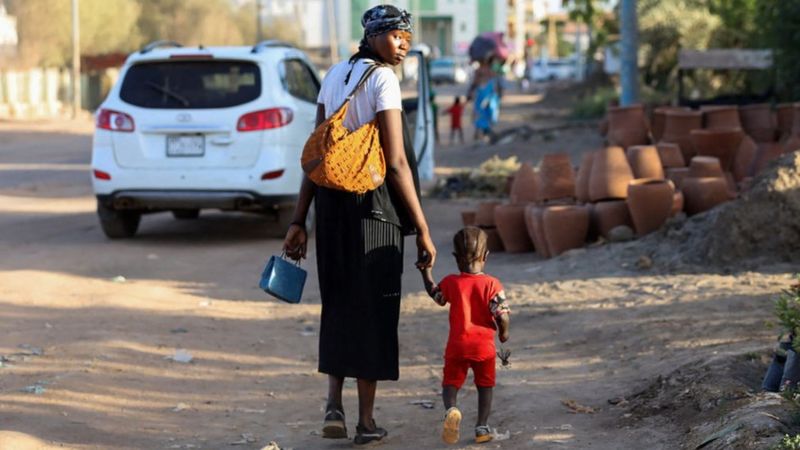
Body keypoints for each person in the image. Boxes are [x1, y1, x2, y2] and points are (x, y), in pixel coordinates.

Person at [282, 4, 436, 447]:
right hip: (373, 210)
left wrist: (300, 219)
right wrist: (422, 229)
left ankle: (334, 405)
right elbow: (398, 163)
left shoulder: (333, 76)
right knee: (372, 308)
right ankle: (366, 422)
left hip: (330, 209)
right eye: (393, 34)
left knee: (339, 301)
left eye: (406, 36)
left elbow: (317, 156)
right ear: (370, 37)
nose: (402, 43)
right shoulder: (383, 79)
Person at [419, 226, 510, 445]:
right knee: (485, 385)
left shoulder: (451, 282)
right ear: (486, 256)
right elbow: (502, 315)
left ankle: (451, 409)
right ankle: (481, 427)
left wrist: (426, 272)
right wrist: (504, 334)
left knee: (450, 383)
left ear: (456, 258)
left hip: (457, 345)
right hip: (483, 348)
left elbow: (437, 296)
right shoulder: (492, 284)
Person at [467, 58, 503, 143]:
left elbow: (475, 84)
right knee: (483, 114)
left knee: (483, 114)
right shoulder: (489, 72)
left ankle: (483, 133)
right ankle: (482, 133)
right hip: (485, 96)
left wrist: (470, 93)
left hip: (486, 96)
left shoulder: (483, 71)